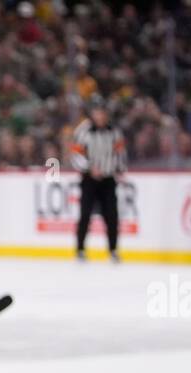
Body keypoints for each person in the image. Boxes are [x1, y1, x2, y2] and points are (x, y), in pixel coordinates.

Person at [70, 100, 126, 262]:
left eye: (103, 112)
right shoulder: (83, 130)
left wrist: (120, 168)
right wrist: (89, 168)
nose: (100, 116)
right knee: (85, 214)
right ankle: (80, 249)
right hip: (89, 180)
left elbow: (120, 152)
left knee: (112, 215)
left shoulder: (114, 131)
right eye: (97, 112)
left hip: (108, 179)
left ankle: (113, 249)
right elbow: (76, 155)